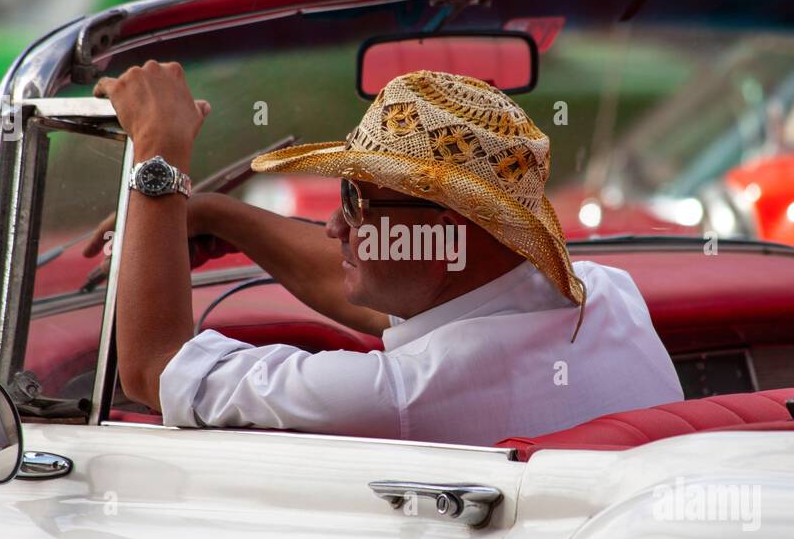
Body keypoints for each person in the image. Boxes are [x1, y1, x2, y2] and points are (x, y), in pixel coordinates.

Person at [90, 62, 682, 446]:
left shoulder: (398, 399)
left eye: (356, 200)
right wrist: (223, 216)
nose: (334, 226)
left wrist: (159, 151)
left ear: (452, 231)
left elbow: (155, 367)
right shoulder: (608, 296)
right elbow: (407, 293)